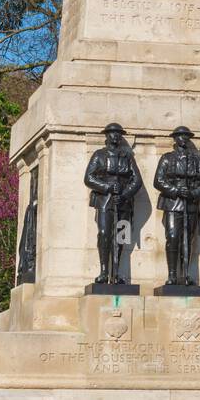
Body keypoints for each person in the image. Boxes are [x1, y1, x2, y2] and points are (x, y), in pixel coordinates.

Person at [83, 122, 142, 285]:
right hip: (104, 201)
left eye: (118, 133)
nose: (115, 136)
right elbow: (88, 178)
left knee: (121, 237)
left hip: (123, 202)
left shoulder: (127, 156)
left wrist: (124, 194)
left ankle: (117, 272)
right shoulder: (99, 155)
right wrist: (107, 186)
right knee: (104, 233)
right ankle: (103, 271)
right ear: (106, 136)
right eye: (112, 133)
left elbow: (137, 181)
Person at [153, 126, 200, 286]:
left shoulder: (195, 160)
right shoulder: (167, 158)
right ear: (175, 138)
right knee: (172, 238)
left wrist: (193, 193)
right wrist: (175, 189)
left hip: (190, 203)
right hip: (172, 203)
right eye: (180, 136)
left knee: (188, 239)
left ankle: (185, 274)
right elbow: (158, 180)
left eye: (186, 136)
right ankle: (172, 274)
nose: (183, 139)